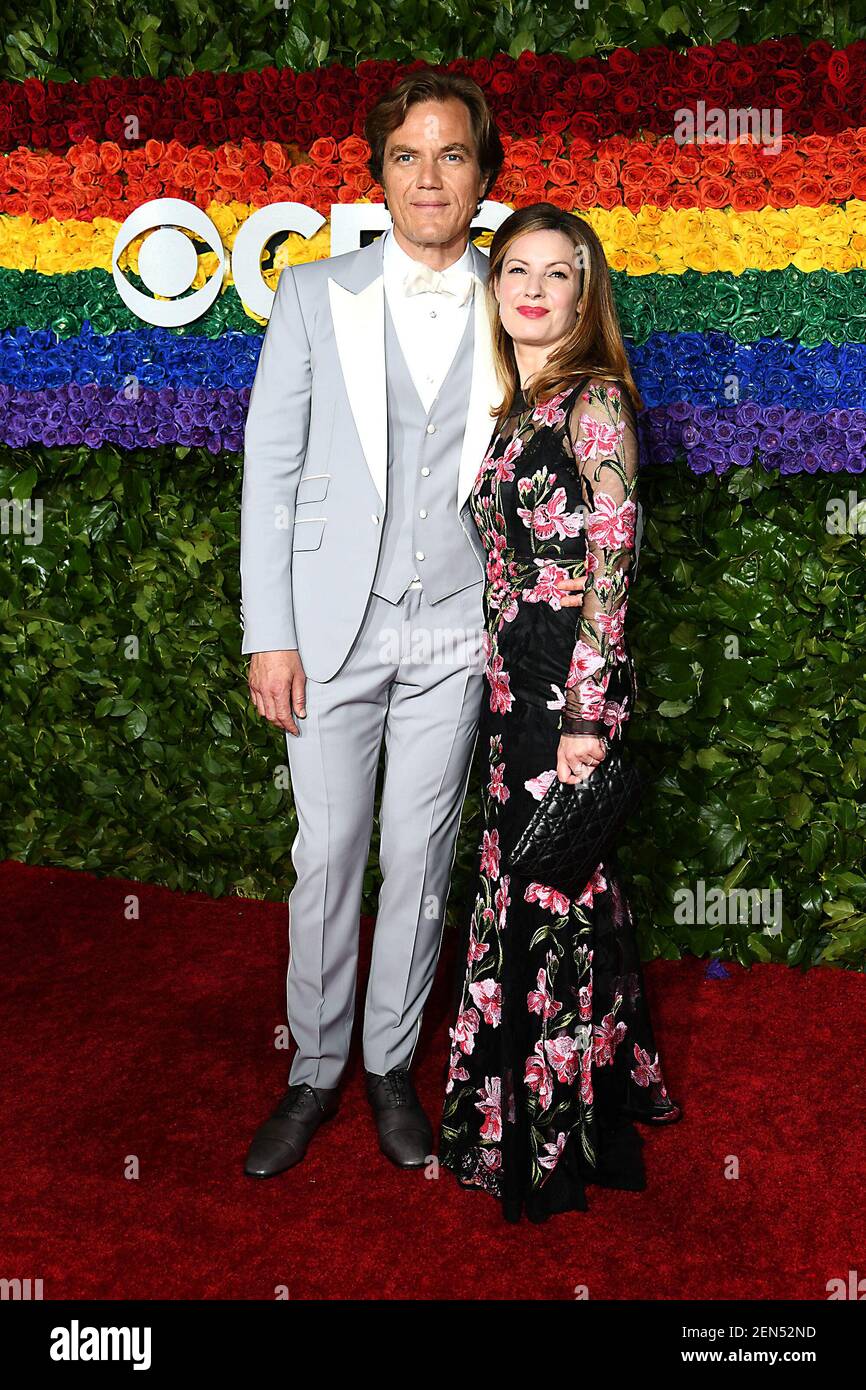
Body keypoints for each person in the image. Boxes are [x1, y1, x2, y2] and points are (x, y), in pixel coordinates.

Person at [238, 72, 588, 1178]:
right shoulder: (311, 293)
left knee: (421, 859)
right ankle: (313, 1070)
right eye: (406, 156)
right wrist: (270, 632)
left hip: (456, 631)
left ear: (484, 177)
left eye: (450, 156)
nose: (428, 176)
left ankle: (391, 1066)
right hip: (327, 626)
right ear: (378, 173)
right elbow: (270, 471)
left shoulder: (516, 295)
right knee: (327, 854)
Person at [438, 202, 682, 1224]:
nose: (532, 290)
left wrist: (586, 709)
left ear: (584, 297)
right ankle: (600, 1077)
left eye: (556, 274)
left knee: (544, 882)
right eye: (514, 271)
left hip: (559, 685)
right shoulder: (516, 406)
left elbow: (610, 563)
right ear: (494, 292)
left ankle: (544, 1126)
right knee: (550, 874)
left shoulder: (593, 404)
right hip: (509, 676)